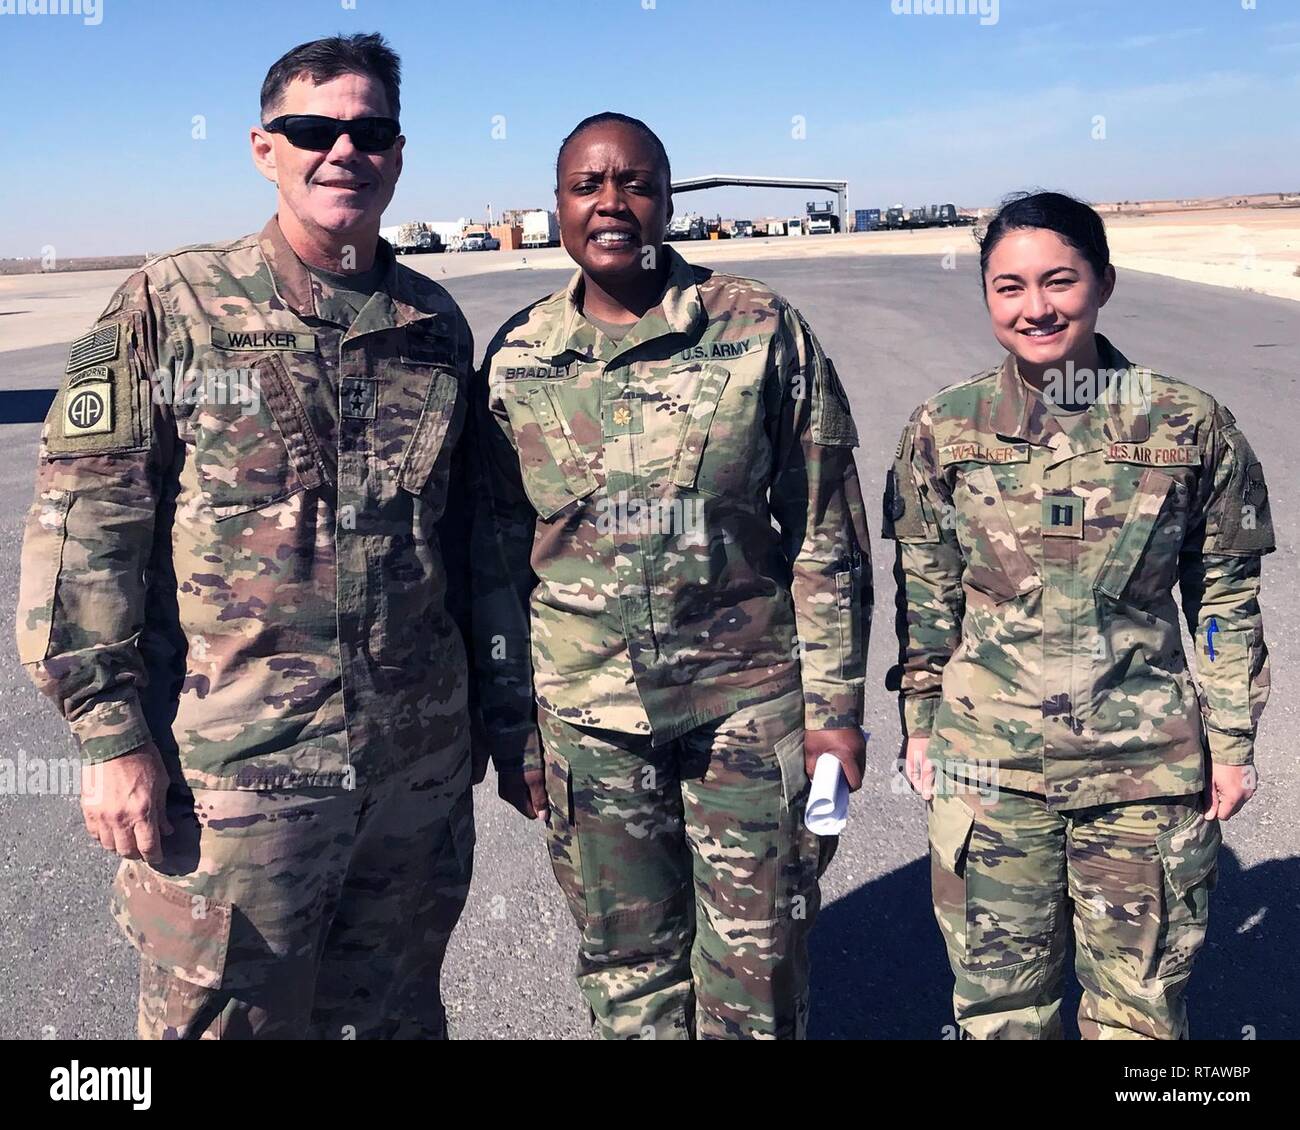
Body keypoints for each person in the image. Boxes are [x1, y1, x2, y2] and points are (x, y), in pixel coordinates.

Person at [16, 33, 479, 1039]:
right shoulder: (173, 304)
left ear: (398, 152)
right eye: (314, 129)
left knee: (394, 1015)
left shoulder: (433, 322)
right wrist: (107, 732)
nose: (342, 150)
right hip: (238, 777)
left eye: (370, 130)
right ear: (264, 148)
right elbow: (84, 522)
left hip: (414, 776)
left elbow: (465, 542)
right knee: (223, 1020)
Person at [472, 112, 872, 1039]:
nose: (612, 204)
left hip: (747, 708)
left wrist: (837, 715)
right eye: (587, 187)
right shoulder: (519, 359)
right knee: (628, 971)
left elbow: (825, 535)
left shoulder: (761, 329)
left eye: (637, 184)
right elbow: (495, 564)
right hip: (588, 724)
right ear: (559, 206)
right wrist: (510, 725)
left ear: (665, 198)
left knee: (758, 966)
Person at [884, 191, 1274, 1039]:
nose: (1036, 308)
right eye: (1008, 287)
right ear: (986, 296)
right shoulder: (943, 432)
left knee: (1140, 1014)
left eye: (1059, 281)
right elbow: (928, 592)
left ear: (1103, 282)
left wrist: (1232, 742)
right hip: (990, 770)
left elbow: (1224, 599)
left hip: (1145, 773)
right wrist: (919, 723)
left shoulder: (1187, 424)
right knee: (999, 1012)